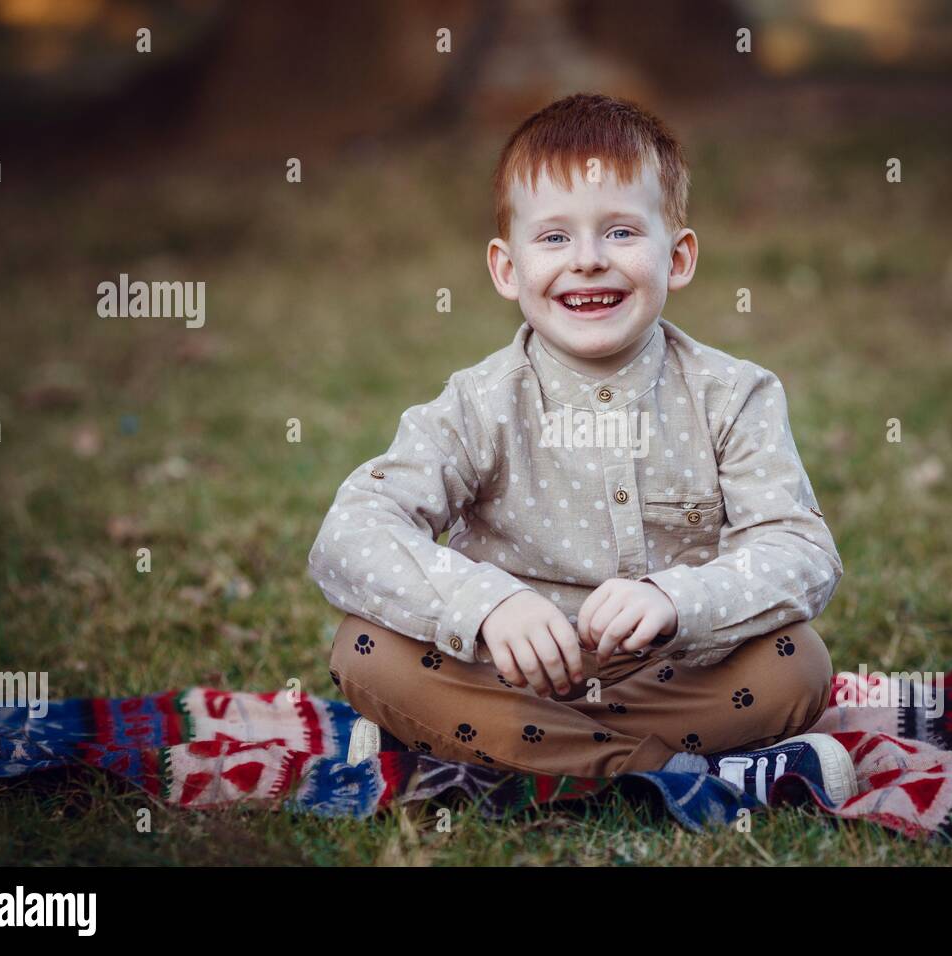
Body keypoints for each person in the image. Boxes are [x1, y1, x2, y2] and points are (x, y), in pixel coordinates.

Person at [309, 92, 856, 806]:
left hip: (669, 679)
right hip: (502, 676)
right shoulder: (480, 403)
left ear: (678, 256)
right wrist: (485, 604)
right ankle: (686, 779)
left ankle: (468, 750)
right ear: (508, 269)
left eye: (623, 232)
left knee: (798, 664)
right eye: (555, 237)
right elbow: (348, 537)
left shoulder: (734, 395)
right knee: (365, 651)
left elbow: (801, 553)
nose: (590, 261)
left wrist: (676, 598)